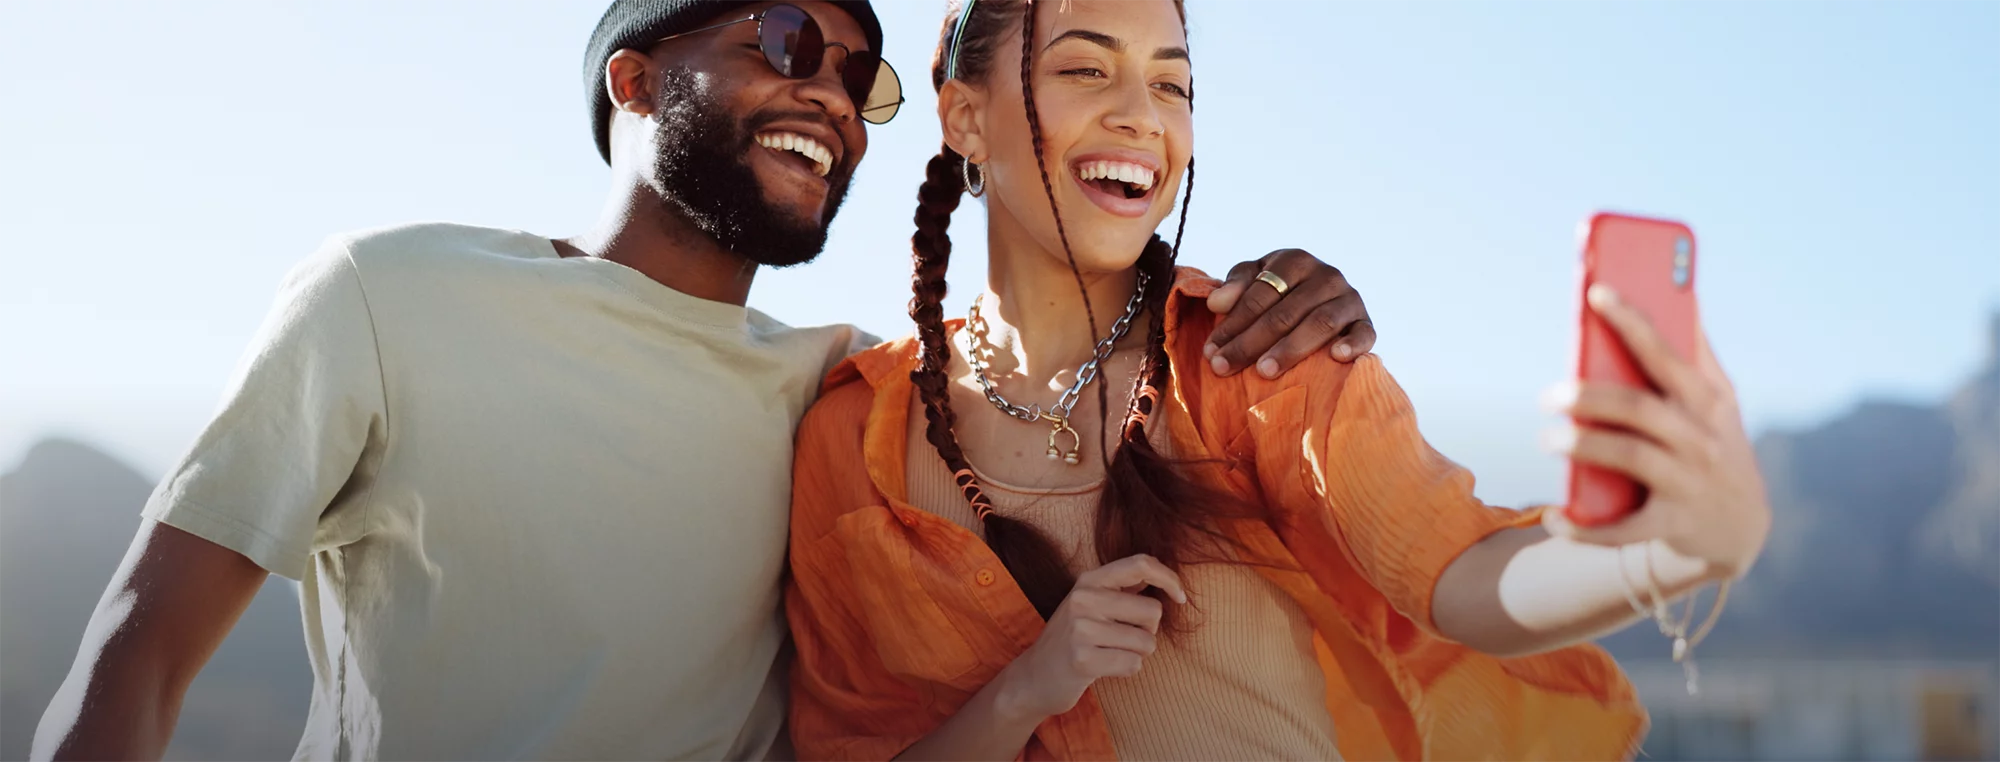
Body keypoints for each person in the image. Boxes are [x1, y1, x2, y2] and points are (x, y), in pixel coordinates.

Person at [29, 1, 1382, 761]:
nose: (835, 100)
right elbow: (135, 661)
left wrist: (1274, 290)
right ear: (636, 74)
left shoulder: (843, 394)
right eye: (789, 43)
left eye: (862, 80)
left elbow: (1067, 371)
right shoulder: (392, 293)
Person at [782, 0, 1774, 760]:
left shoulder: (1260, 358)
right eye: (1085, 69)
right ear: (963, 116)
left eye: (1172, 85)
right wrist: (1024, 690)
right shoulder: (849, 437)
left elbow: (1460, 578)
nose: (1140, 116)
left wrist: (1670, 551)